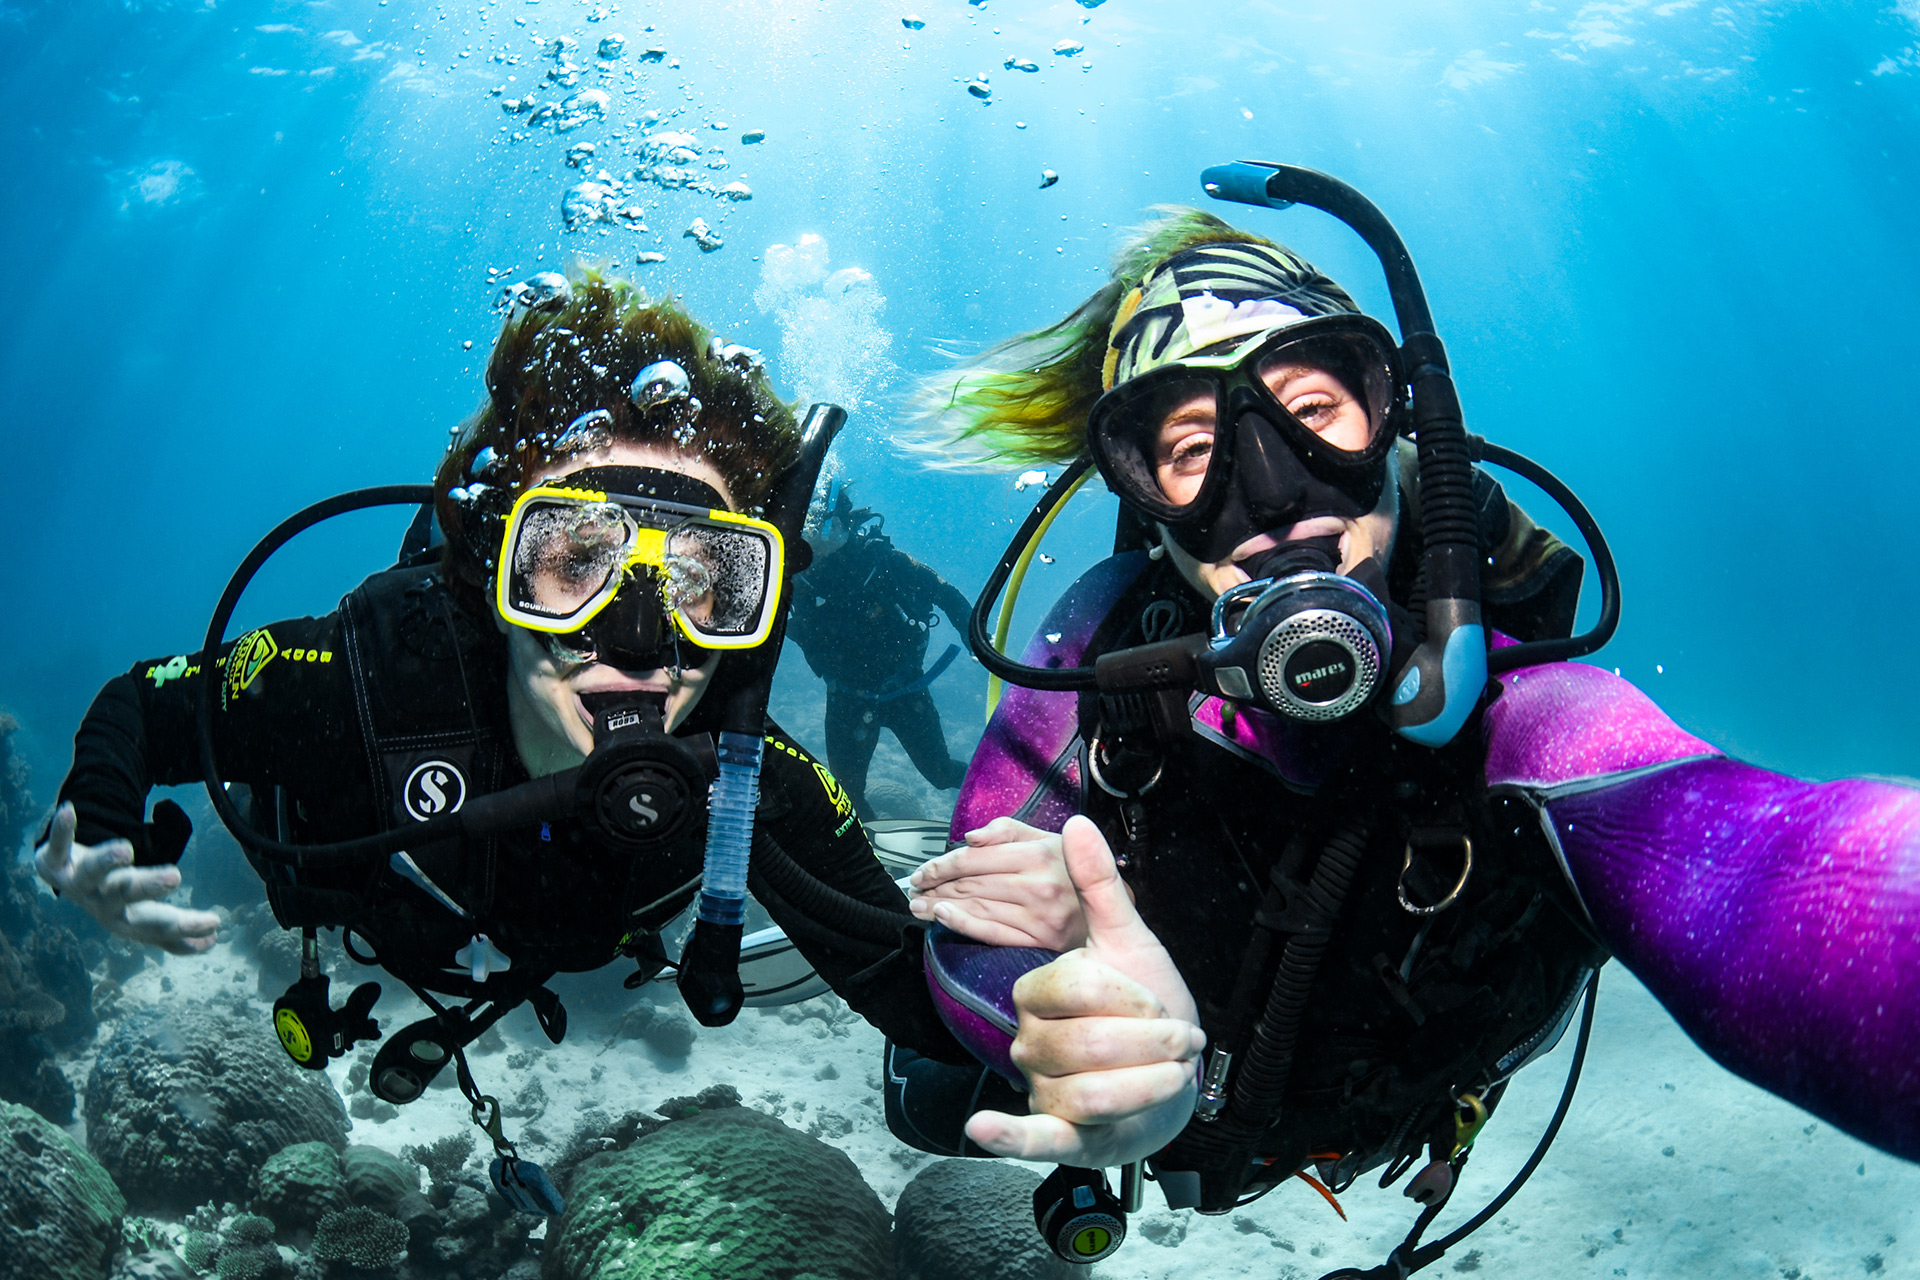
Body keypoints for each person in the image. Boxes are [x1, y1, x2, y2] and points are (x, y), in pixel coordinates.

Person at [895, 201, 1920, 1272]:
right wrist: (1068, 1032)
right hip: (1203, 1120)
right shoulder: (1096, 669)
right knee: (929, 1095)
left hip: (1416, 1092)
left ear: (1397, 427)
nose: (1274, 490)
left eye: (1314, 407)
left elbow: (1760, 863)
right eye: (1194, 445)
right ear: (1148, 508)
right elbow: (975, 913)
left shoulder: (1533, 712)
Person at [34, 272, 971, 1201]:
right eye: (575, 562)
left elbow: (908, 981)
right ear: (495, 573)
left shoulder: (751, 775)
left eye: (696, 579)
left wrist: (1062, 1027)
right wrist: (100, 817)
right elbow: (139, 702)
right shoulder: (369, 678)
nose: (641, 642)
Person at [785, 485, 974, 816]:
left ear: (845, 524)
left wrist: (979, 643)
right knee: (848, 797)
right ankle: (872, 861)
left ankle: (1011, 796)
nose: (819, 542)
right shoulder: (799, 580)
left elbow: (947, 594)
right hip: (846, 699)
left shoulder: (884, 560)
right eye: (810, 533)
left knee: (941, 773)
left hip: (905, 692)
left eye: (826, 529)